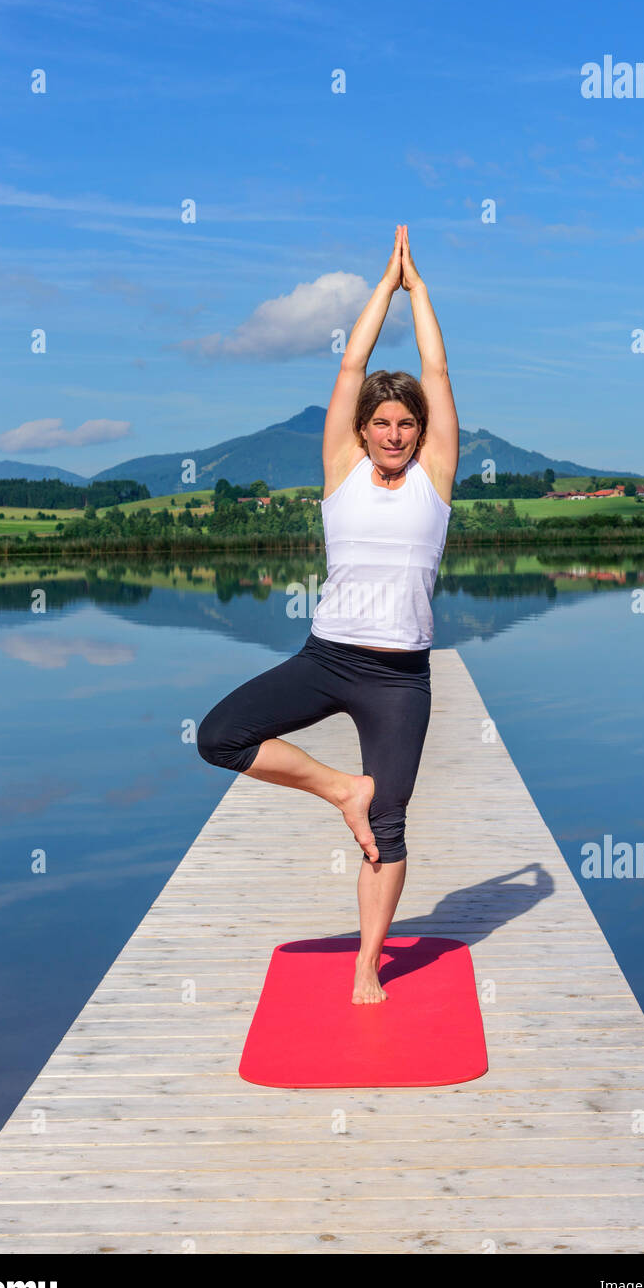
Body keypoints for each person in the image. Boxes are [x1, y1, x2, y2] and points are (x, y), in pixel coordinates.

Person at [197, 225, 460, 1004]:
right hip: (327, 658)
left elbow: (438, 371)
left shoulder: (435, 478)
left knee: (391, 827)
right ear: (361, 432)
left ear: (419, 433)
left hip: (398, 679)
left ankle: (366, 964)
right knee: (219, 737)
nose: (393, 432)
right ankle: (339, 789)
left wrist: (423, 295)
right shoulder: (340, 471)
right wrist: (385, 285)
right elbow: (349, 364)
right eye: (381, 422)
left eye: (405, 423)